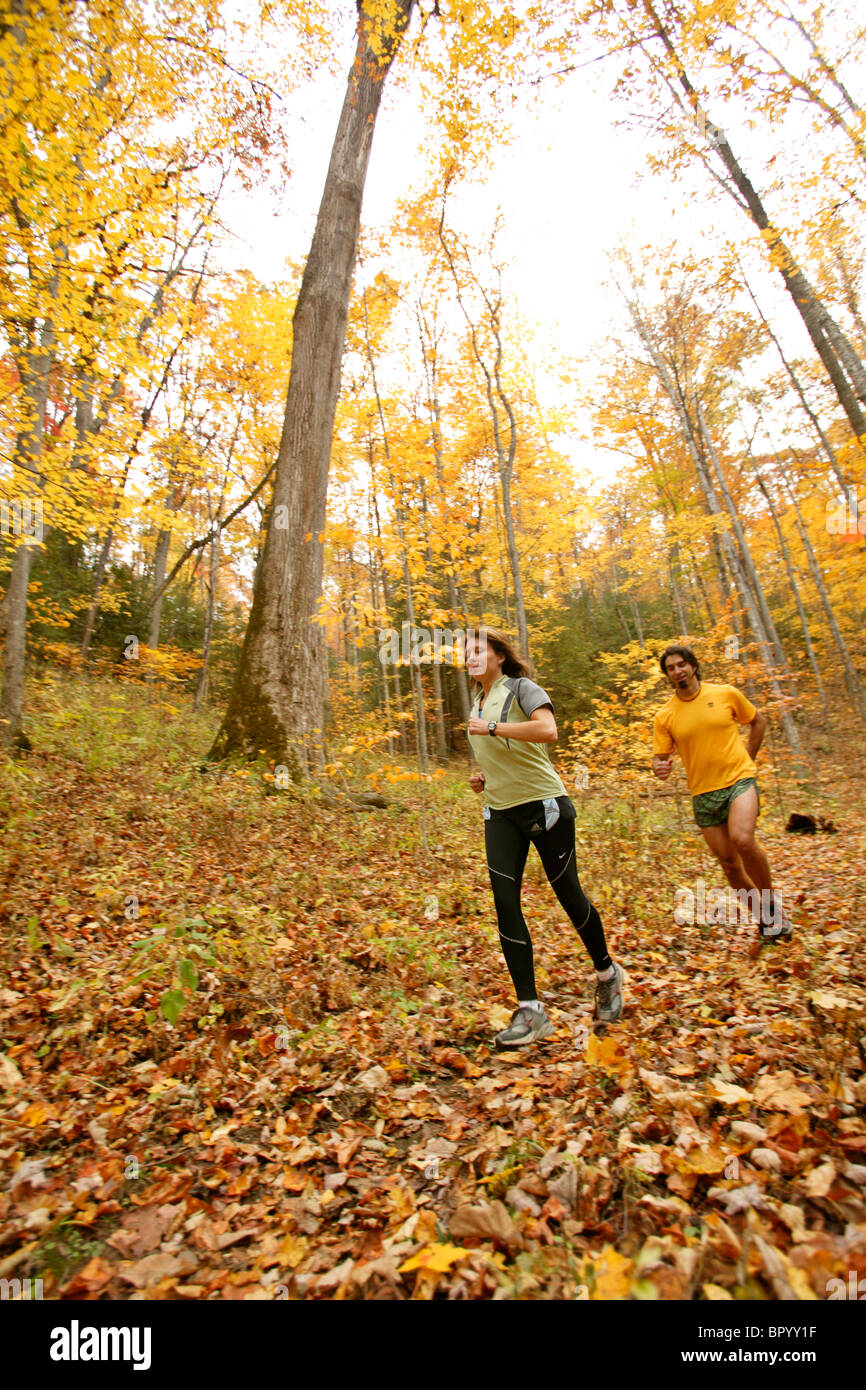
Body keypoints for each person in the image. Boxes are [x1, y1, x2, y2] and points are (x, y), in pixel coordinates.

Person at [465, 626, 623, 1050]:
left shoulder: (521, 688)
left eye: (478, 650)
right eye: (466, 653)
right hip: (499, 812)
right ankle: (531, 1010)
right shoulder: (477, 701)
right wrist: (482, 777)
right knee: (504, 901)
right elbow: (496, 753)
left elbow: (547, 731)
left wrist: (494, 728)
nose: (470, 657)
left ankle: (607, 974)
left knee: (567, 893)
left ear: (499, 654)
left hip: (544, 805)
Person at [650, 644, 793, 940]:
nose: (677, 671)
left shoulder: (725, 693)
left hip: (739, 780)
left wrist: (748, 758)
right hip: (703, 793)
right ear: (667, 675)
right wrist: (659, 767)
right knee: (729, 866)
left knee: (742, 840)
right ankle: (767, 920)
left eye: (681, 665)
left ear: (693, 666)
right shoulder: (666, 715)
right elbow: (660, 757)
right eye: (671, 668)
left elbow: (758, 721)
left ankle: (772, 908)